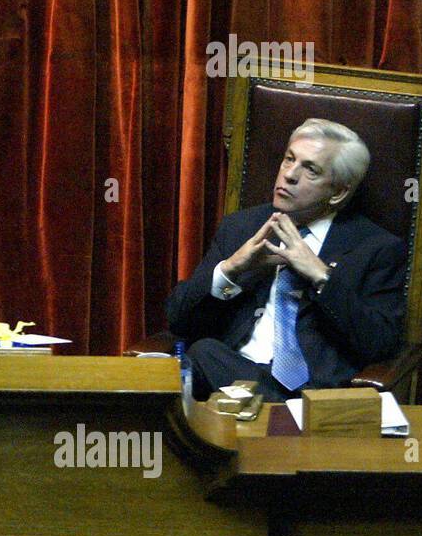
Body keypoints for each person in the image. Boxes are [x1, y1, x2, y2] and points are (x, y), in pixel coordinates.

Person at [166, 118, 407, 402]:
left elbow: (381, 345)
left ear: (339, 192)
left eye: (311, 170)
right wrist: (230, 269)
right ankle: (285, 419)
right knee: (203, 354)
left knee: (203, 357)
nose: (290, 175)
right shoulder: (242, 227)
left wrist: (322, 277)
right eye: (289, 159)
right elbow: (178, 319)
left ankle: (286, 417)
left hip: (314, 393)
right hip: (230, 379)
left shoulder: (376, 248)